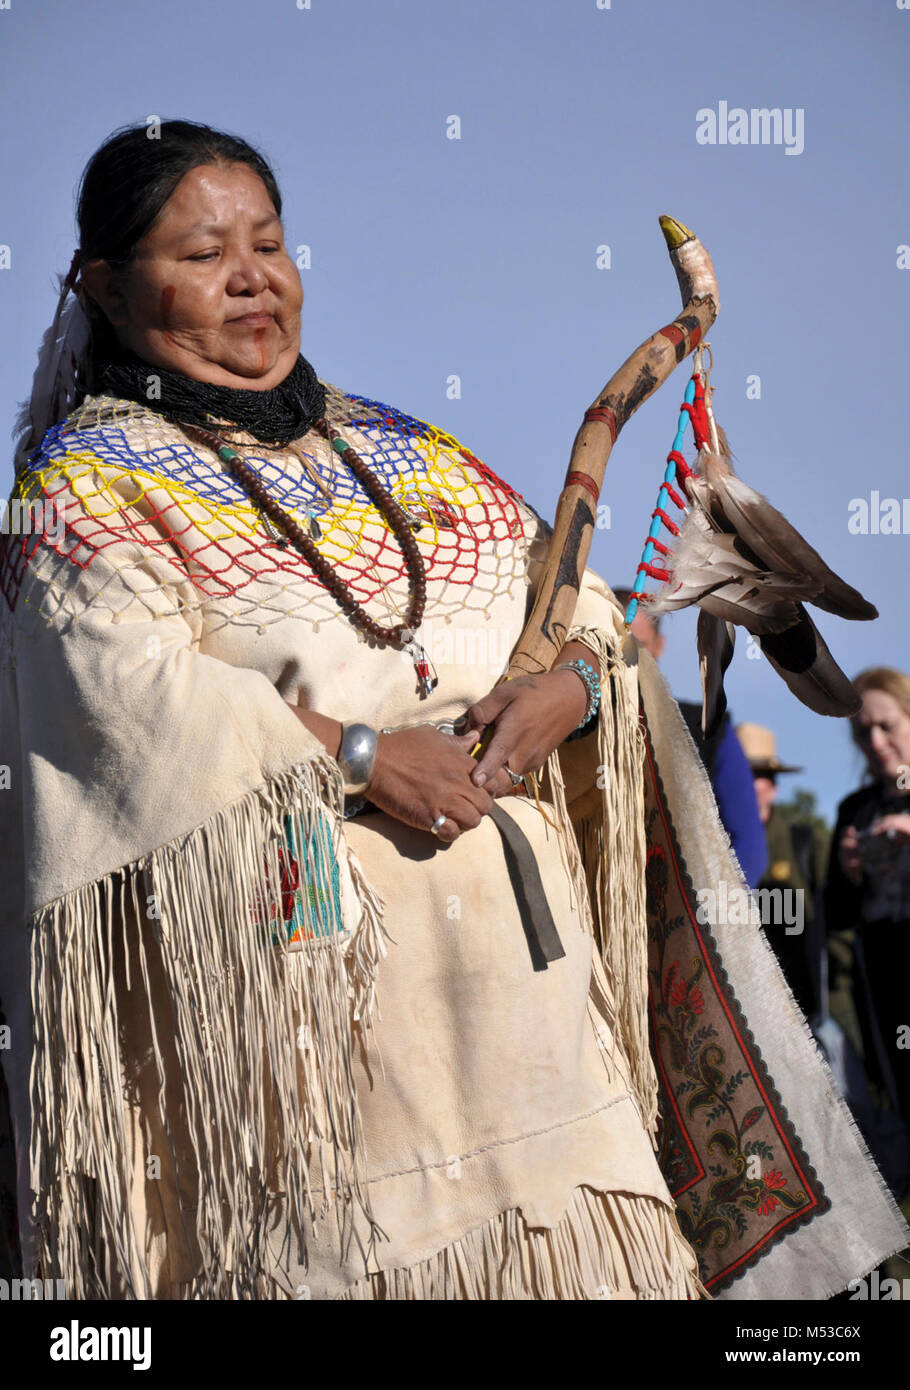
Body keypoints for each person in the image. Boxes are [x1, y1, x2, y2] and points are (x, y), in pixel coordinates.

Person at [0, 120, 905, 1302]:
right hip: (326, 1079)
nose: (250, 277)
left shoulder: (413, 451)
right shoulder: (79, 492)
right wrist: (368, 758)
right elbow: (119, 698)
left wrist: (573, 687)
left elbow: (572, 600)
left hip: (547, 1047)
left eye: (267, 242)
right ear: (108, 289)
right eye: (202, 252)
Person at [824, 667, 910, 1200]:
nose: (874, 743)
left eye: (886, 726)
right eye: (862, 732)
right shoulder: (855, 810)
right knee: (898, 1102)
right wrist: (850, 872)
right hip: (884, 978)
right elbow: (834, 915)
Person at [614, 591, 766, 888]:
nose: (623, 660)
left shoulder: (706, 729)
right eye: (612, 647)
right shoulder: (566, 732)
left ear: (659, 647)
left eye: (637, 647)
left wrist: (703, 916)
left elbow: (748, 848)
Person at [736, 724, 828, 1025]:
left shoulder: (805, 843)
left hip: (801, 1006)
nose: (746, 784)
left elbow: (835, 927)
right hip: (740, 1004)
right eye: (739, 774)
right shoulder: (712, 845)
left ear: (773, 787)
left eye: (756, 775)